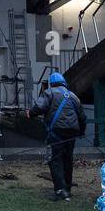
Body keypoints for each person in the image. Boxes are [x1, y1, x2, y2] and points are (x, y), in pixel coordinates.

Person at [28, 72, 84, 201]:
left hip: (56, 132)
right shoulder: (73, 96)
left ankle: (60, 190)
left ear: (51, 83)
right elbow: (82, 117)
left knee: (55, 160)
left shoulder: (49, 93)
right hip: (72, 133)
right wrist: (81, 132)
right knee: (68, 159)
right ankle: (68, 188)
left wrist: (30, 114)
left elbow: (39, 108)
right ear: (64, 82)